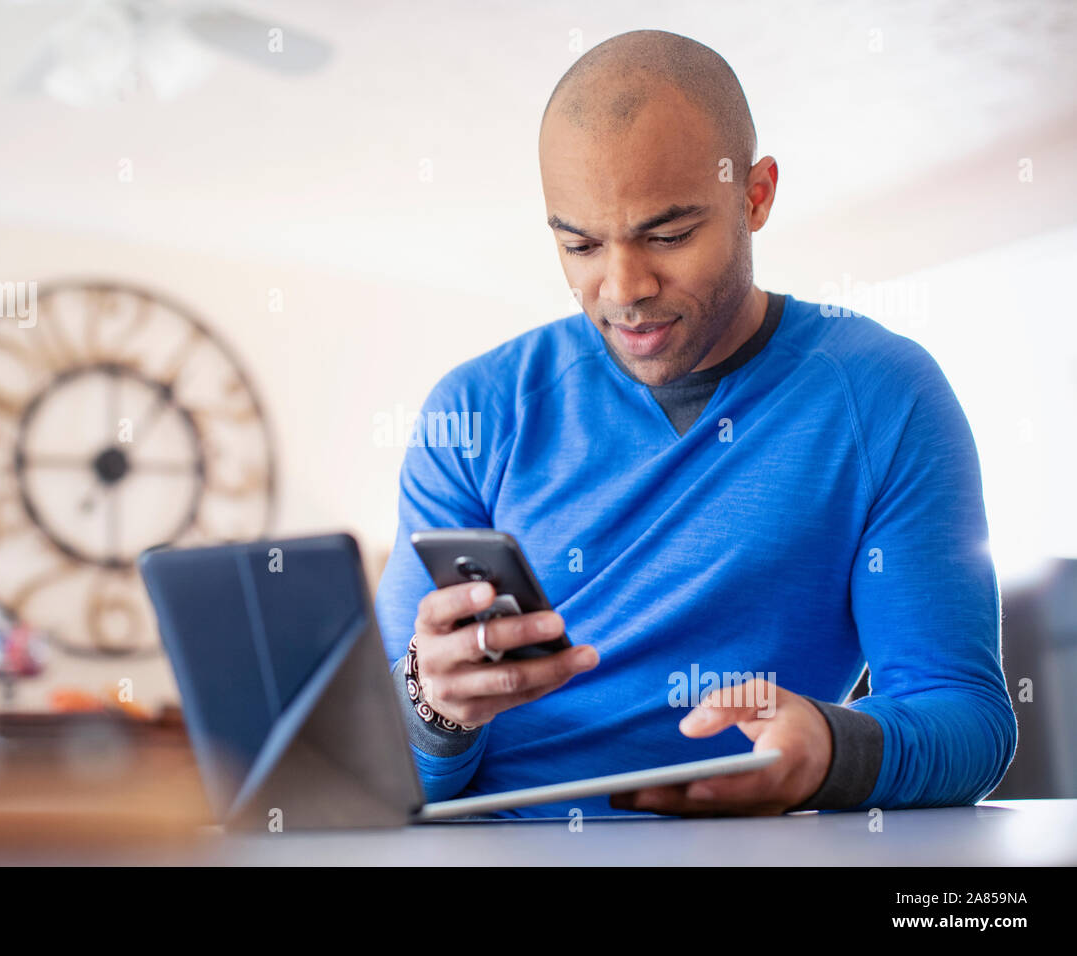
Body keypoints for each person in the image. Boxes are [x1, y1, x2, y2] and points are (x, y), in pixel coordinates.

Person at [373, 29, 1017, 817]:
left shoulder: (885, 394)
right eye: (579, 245)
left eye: (669, 236)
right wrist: (434, 711)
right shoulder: (474, 410)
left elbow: (968, 718)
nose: (622, 289)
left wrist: (827, 749)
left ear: (756, 196)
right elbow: (377, 776)